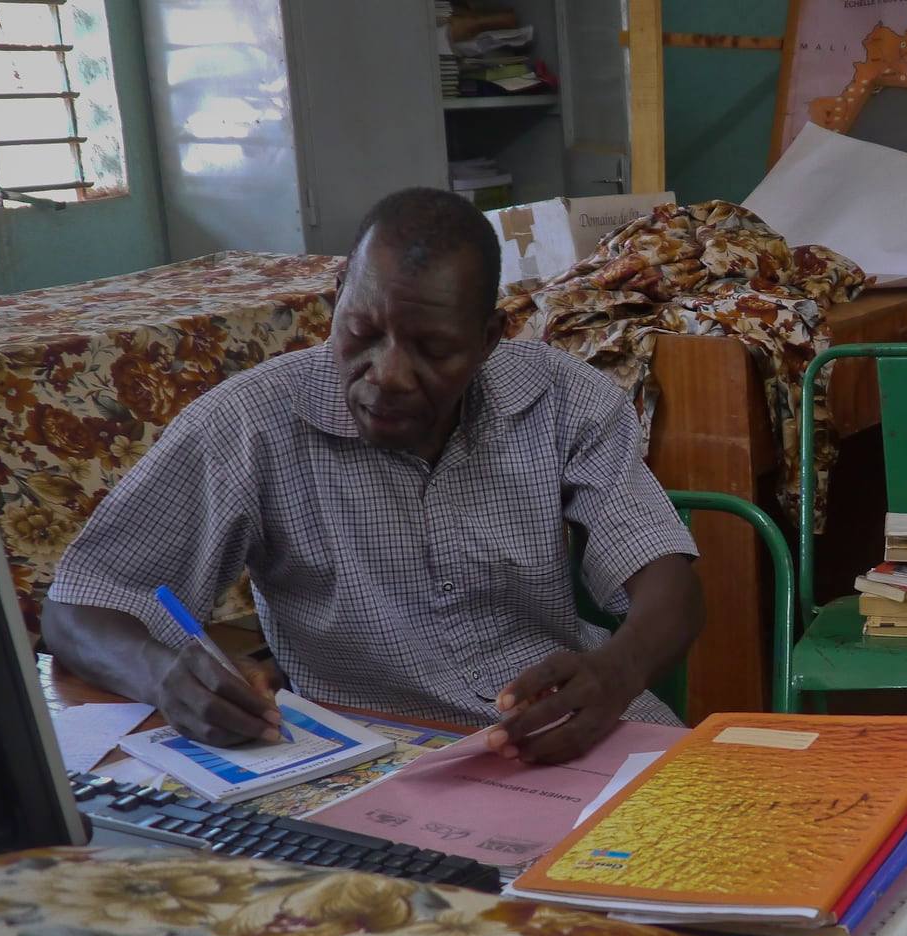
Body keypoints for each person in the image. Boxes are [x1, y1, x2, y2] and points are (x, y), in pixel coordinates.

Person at [42, 188, 702, 764]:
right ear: (337, 302)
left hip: (564, 728)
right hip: (371, 753)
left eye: (433, 349)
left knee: (713, 874)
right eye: (360, 330)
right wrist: (163, 675)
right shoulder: (249, 424)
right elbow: (80, 605)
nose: (386, 374)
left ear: (489, 338)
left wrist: (616, 672)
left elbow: (666, 577)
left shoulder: (563, 399)